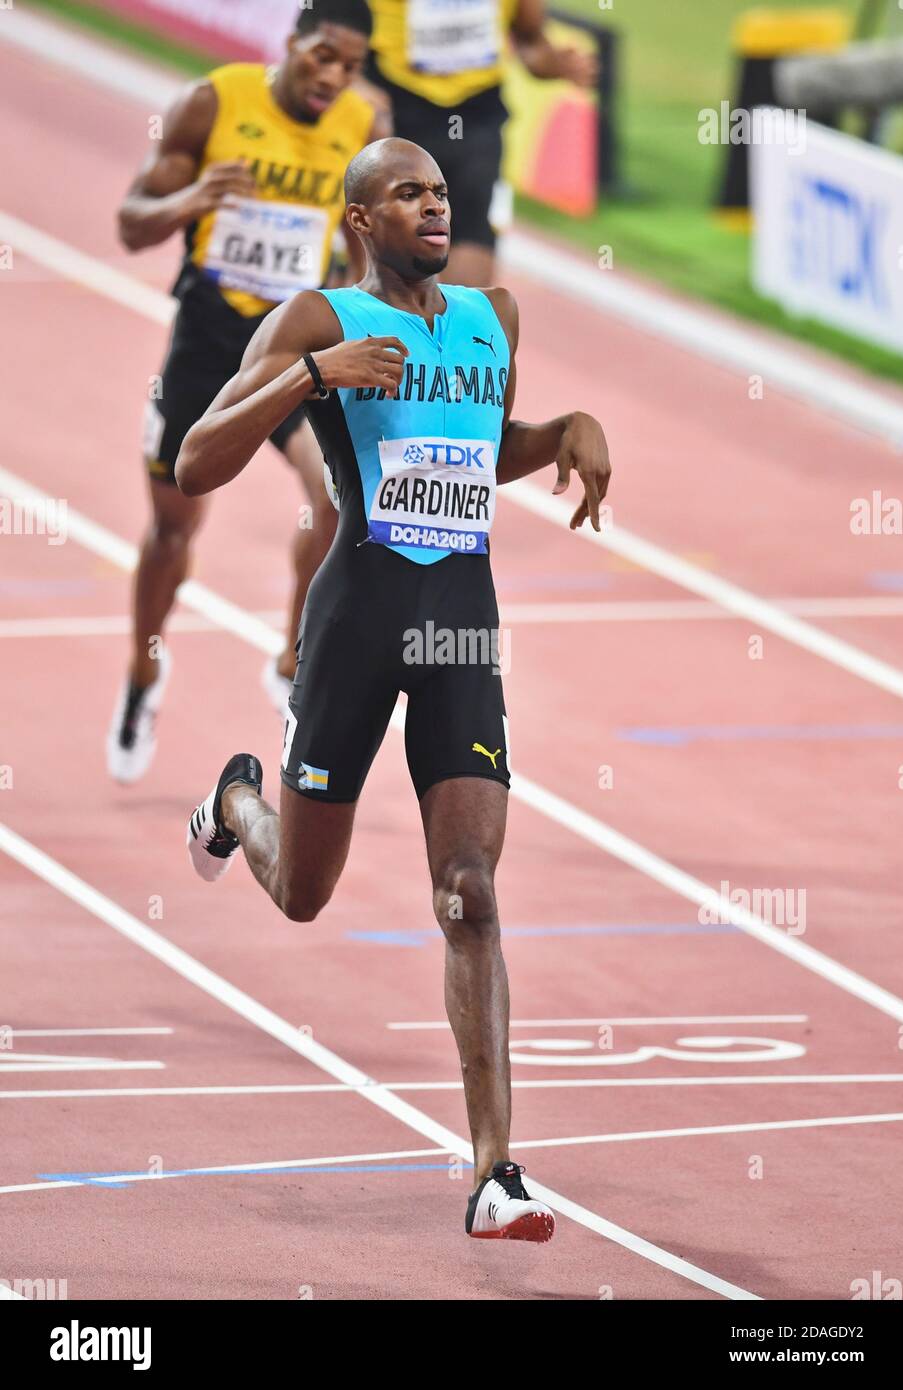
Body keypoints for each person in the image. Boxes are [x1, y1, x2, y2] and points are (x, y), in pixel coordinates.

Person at [175, 137, 610, 1239]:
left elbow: (479, 446)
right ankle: (236, 803)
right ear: (360, 219)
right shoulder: (316, 321)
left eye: (440, 191)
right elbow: (196, 459)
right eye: (407, 192)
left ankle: (495, 1173)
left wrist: (562, 432)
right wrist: (309, 378)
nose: (433, 204)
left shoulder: (490, 315)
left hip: (461, 621)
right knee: (305, 892)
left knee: (469, 888)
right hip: (359, 619)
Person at [107, 0, 389, 783]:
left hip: (292, 350)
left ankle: (292, 656)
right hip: (206, 348)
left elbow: (373, 244)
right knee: (172, 530)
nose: (332, 77)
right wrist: (187, 202)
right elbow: (132, 223)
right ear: (292, 41)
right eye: (322, 56)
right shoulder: (215, 101)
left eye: (349, 65)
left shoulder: (364, 127)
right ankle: (142, 673)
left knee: (335, 497)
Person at [365, 0, 597, 286]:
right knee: (382, 235)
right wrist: (356, 84)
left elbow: (530, 42)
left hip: (474, 115)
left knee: (470, 234)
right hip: (392, 106)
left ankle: (459, 329)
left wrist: (558, 64)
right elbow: (335, 24)